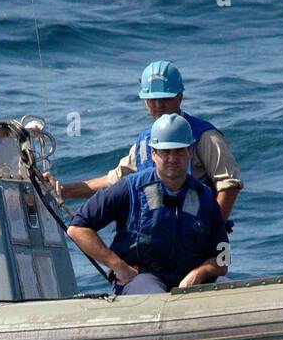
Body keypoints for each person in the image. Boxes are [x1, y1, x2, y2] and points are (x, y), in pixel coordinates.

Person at [51, 61, 242, 221]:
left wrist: (212, 231)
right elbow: (114, 181)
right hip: (157, 236)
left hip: (195, 234)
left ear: (180, 97)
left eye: (164, 98)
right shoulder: (144, 143)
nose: (158, 105)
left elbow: (229, 185)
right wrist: (63, 190)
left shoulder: (205, 136)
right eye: (152, 99)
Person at [67, 114, 229, 295]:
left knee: (226, 288)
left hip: (189, 282)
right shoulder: (130, 189)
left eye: (179, 151)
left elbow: (222, 258)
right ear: (153, 154)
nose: (172, 158)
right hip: (142, 279)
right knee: (154, 295)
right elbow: (77, 228)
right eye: (165, 152)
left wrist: (200, 273)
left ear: (190, 152)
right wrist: (118, 265)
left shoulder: (204, 196)